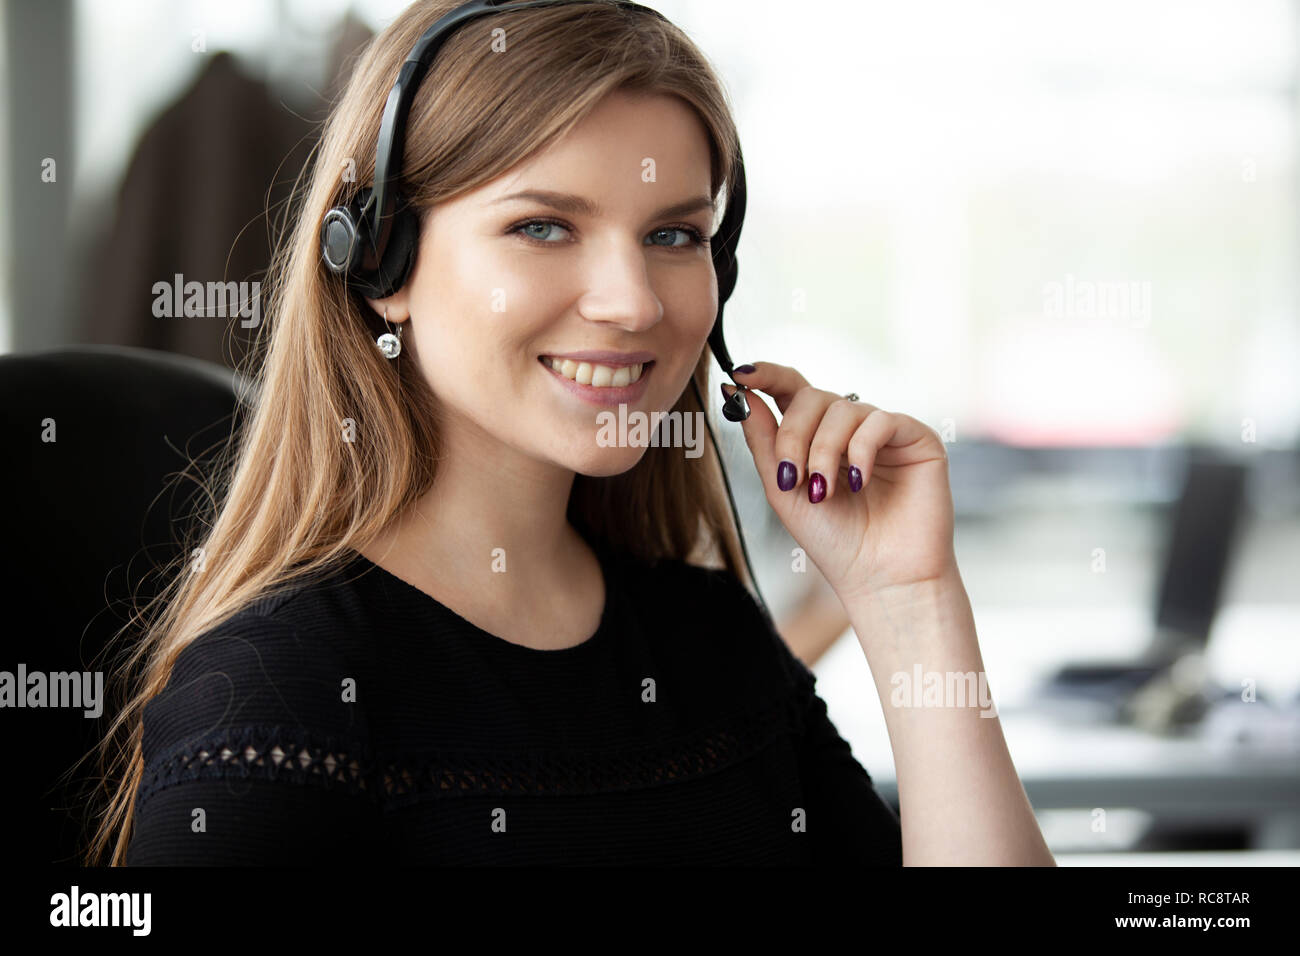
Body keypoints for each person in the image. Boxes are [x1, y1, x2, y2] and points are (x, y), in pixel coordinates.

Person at [85, 0, 1053, 866]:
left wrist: (907, 603)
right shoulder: (282, 690)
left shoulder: (708, 638)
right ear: (382, 262)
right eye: (543, 226)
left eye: (674, 235)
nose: (632, 303)